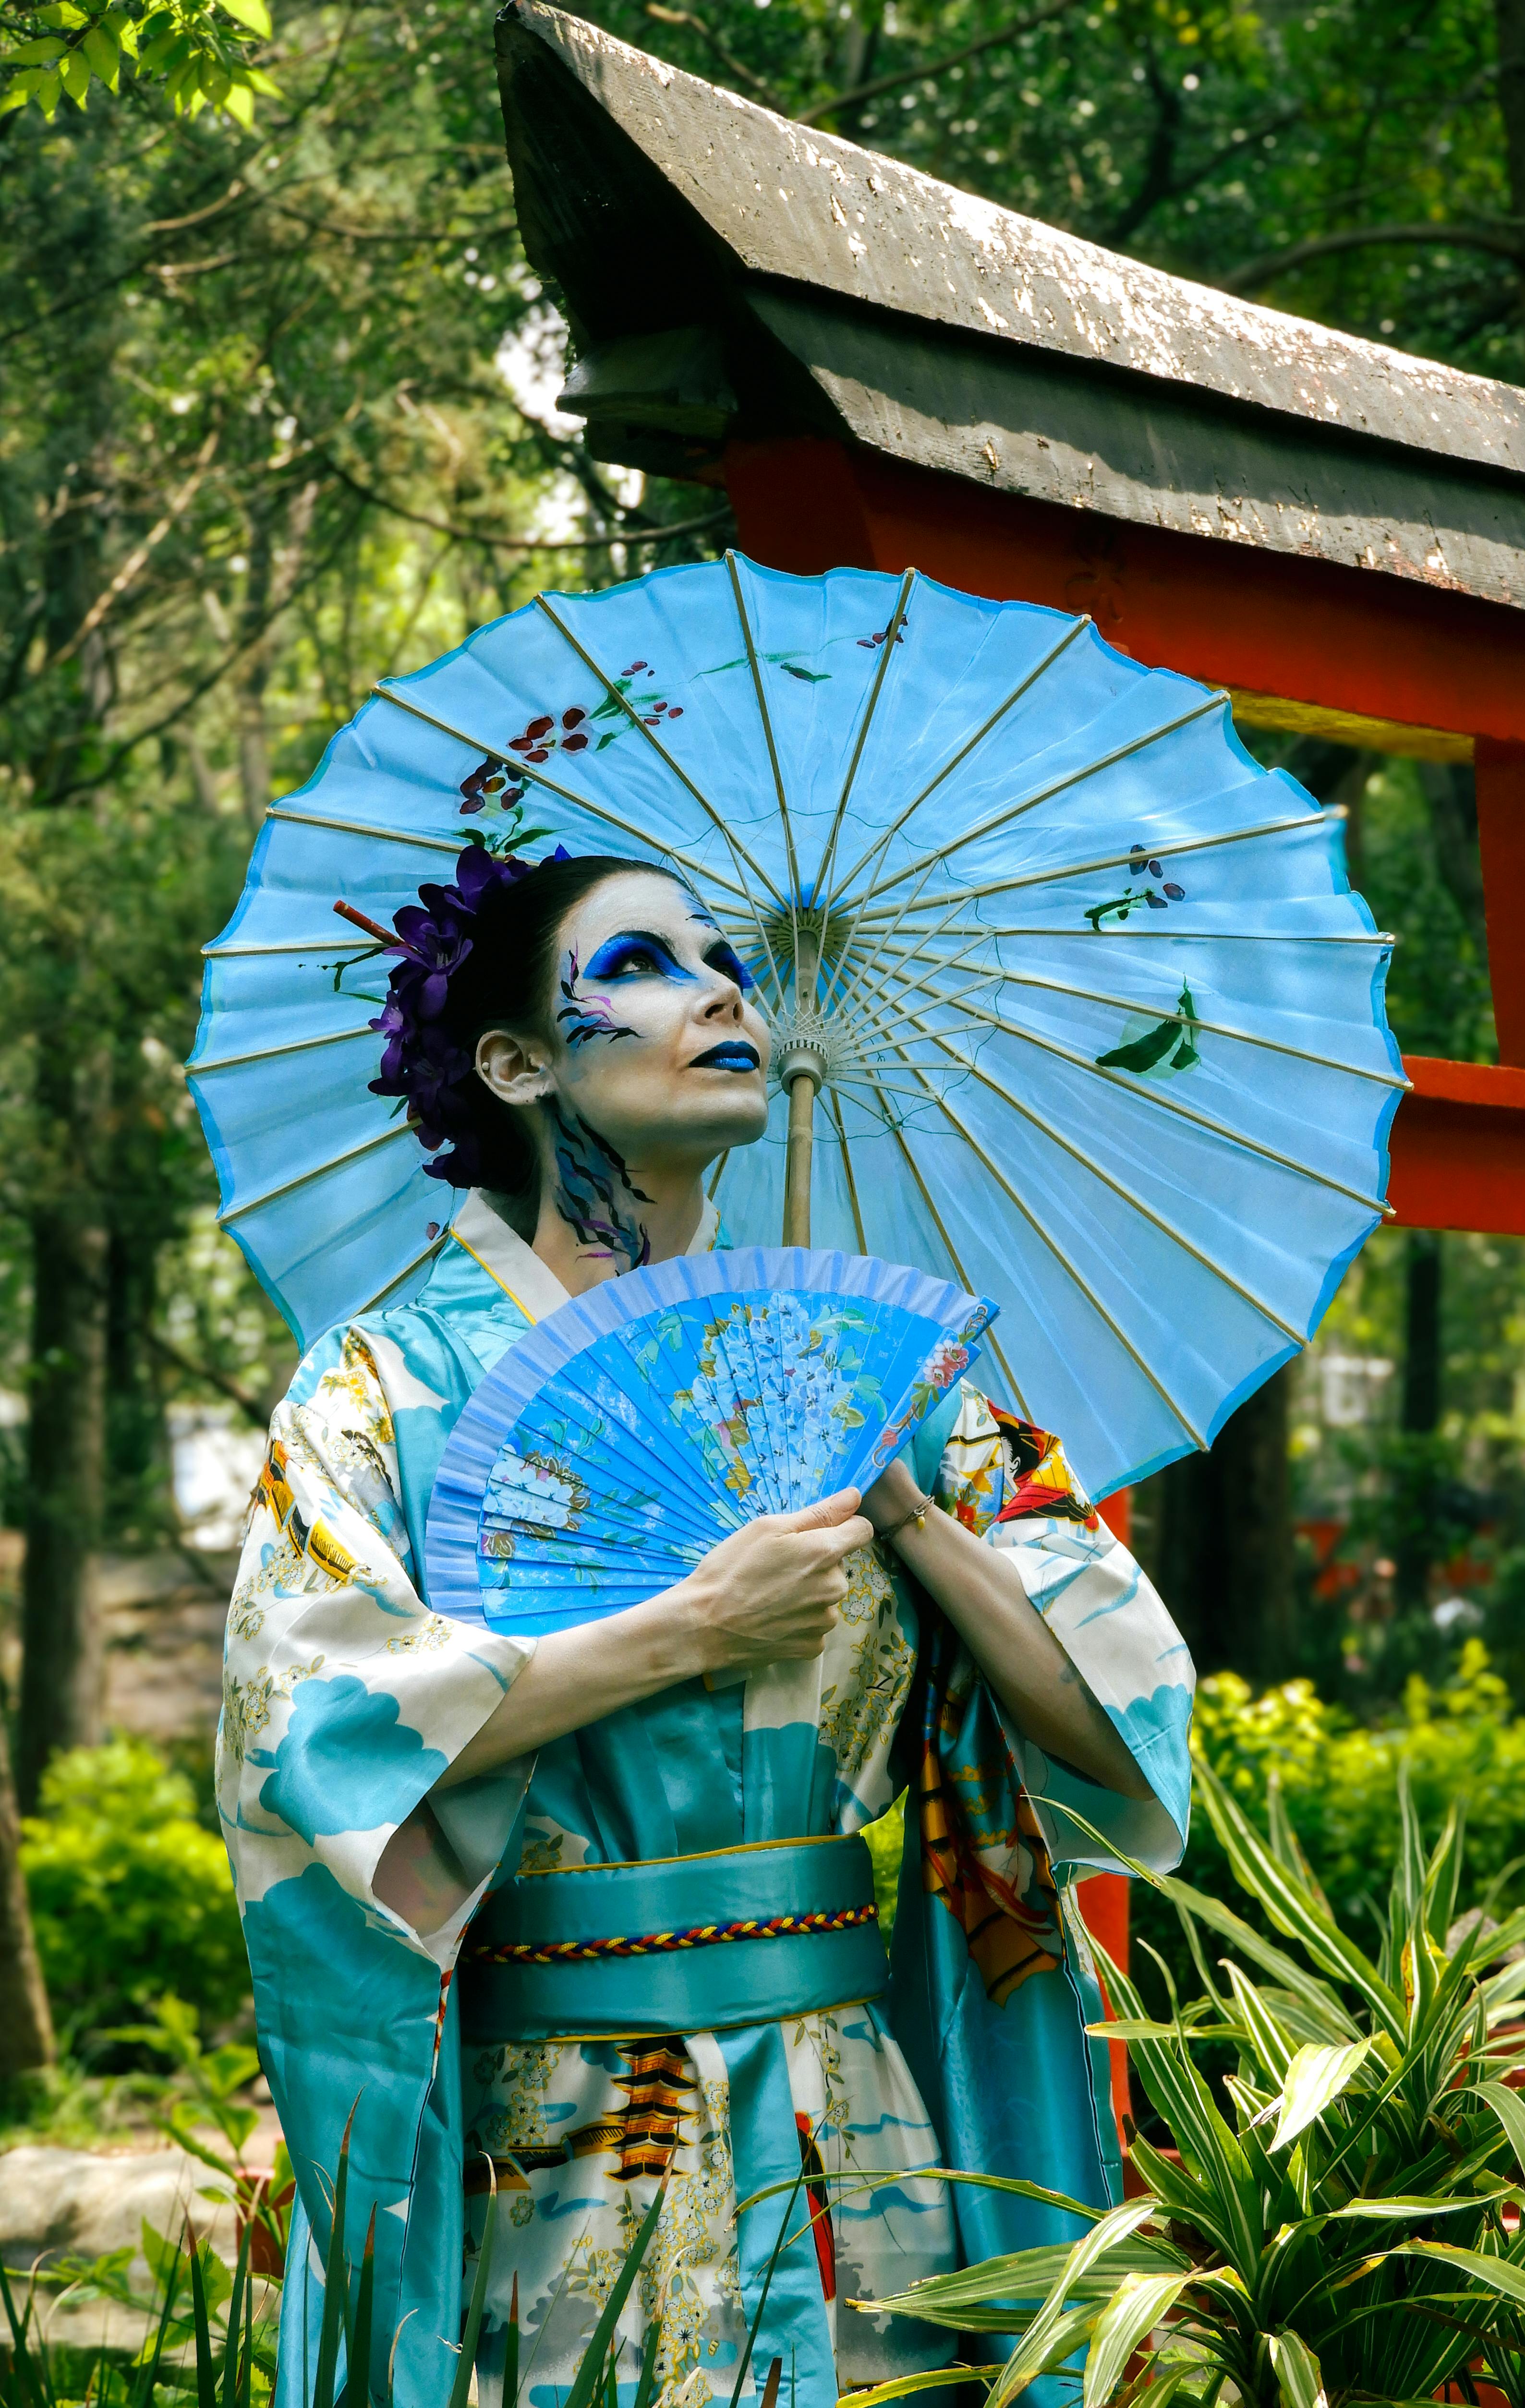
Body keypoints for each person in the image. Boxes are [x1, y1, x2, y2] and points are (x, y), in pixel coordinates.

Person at [218, 844, 1196, 2408]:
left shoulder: (883, 1385)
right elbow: (307, 1741)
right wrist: (689, 1626)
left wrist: (907, 1513)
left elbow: (1122, 1730)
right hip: (551, 2137)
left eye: (721, 959)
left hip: (855, 2133)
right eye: (642, 964)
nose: (720, 988)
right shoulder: (380, 1392)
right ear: (516, 1062)